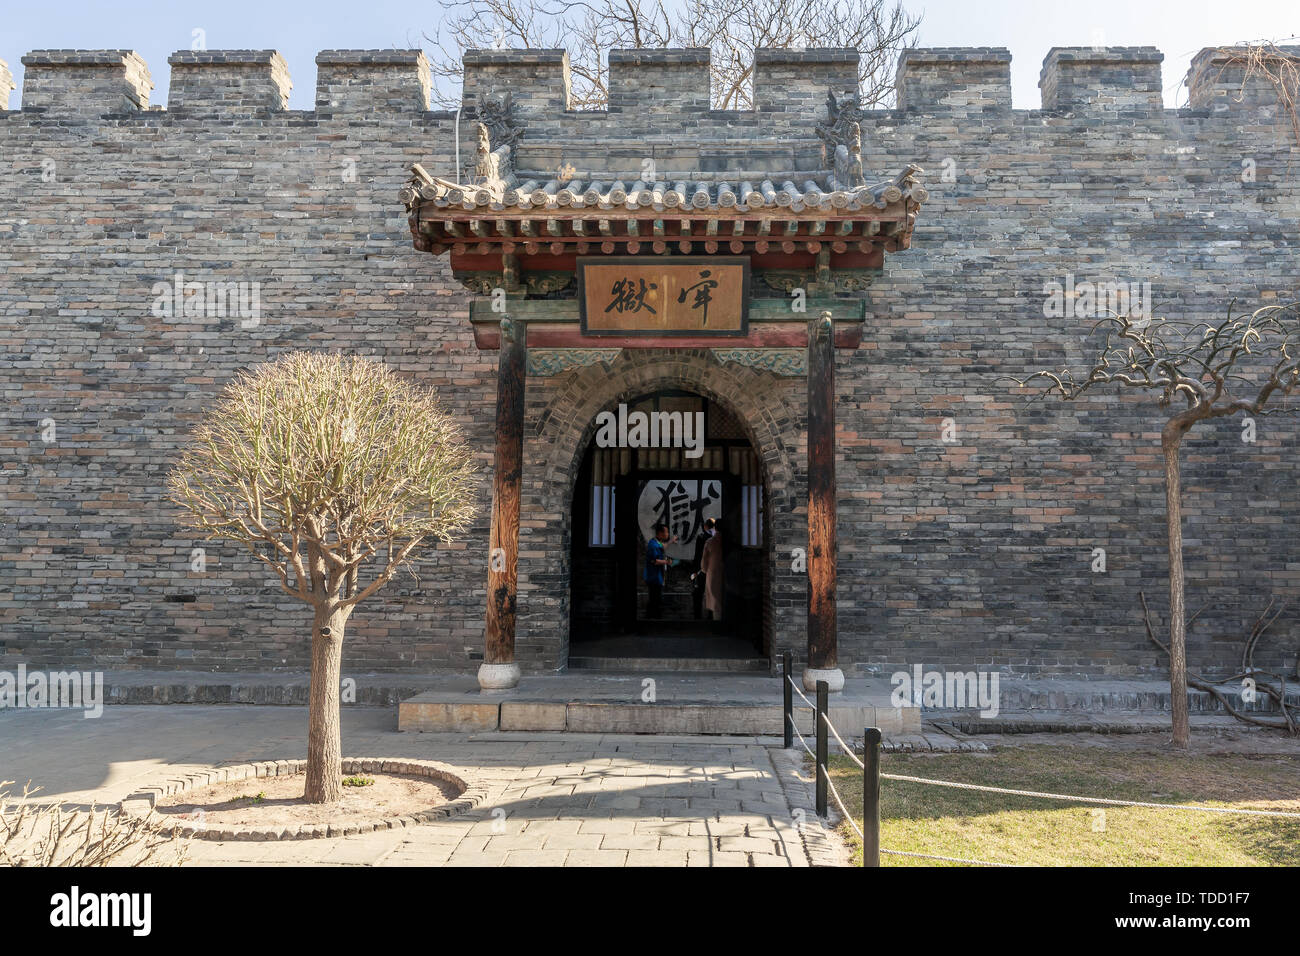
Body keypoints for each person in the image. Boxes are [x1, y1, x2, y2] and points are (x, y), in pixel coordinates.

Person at [644, 522, 675, 620]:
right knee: (655, 599)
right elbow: (654, 561)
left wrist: (671, 541)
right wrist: (667, 562)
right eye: (666, 532)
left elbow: (662, 547)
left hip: (657, 576)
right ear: (660, 533)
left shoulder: (657, 542)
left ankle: (653, 618)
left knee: (655, 598)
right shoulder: (653, 545)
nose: (667, 534)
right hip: (653, 577)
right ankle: (652, 619)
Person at [689, 517, 715, 620]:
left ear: (705, 526)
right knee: (711, 594)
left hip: (701, 569)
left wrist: (694, 571)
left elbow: (698, 555)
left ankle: (697, 616)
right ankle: (711, 616)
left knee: (697, 594)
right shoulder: (717, 537)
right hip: (713, 570)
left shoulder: (702, 537)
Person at [700, 519, 725, 625]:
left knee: (716, 603)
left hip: (713, 573)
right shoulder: (729, 542)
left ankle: (717, 626)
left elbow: (704, 564)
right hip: (728, 574)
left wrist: (705, 570)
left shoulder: (710, 542)